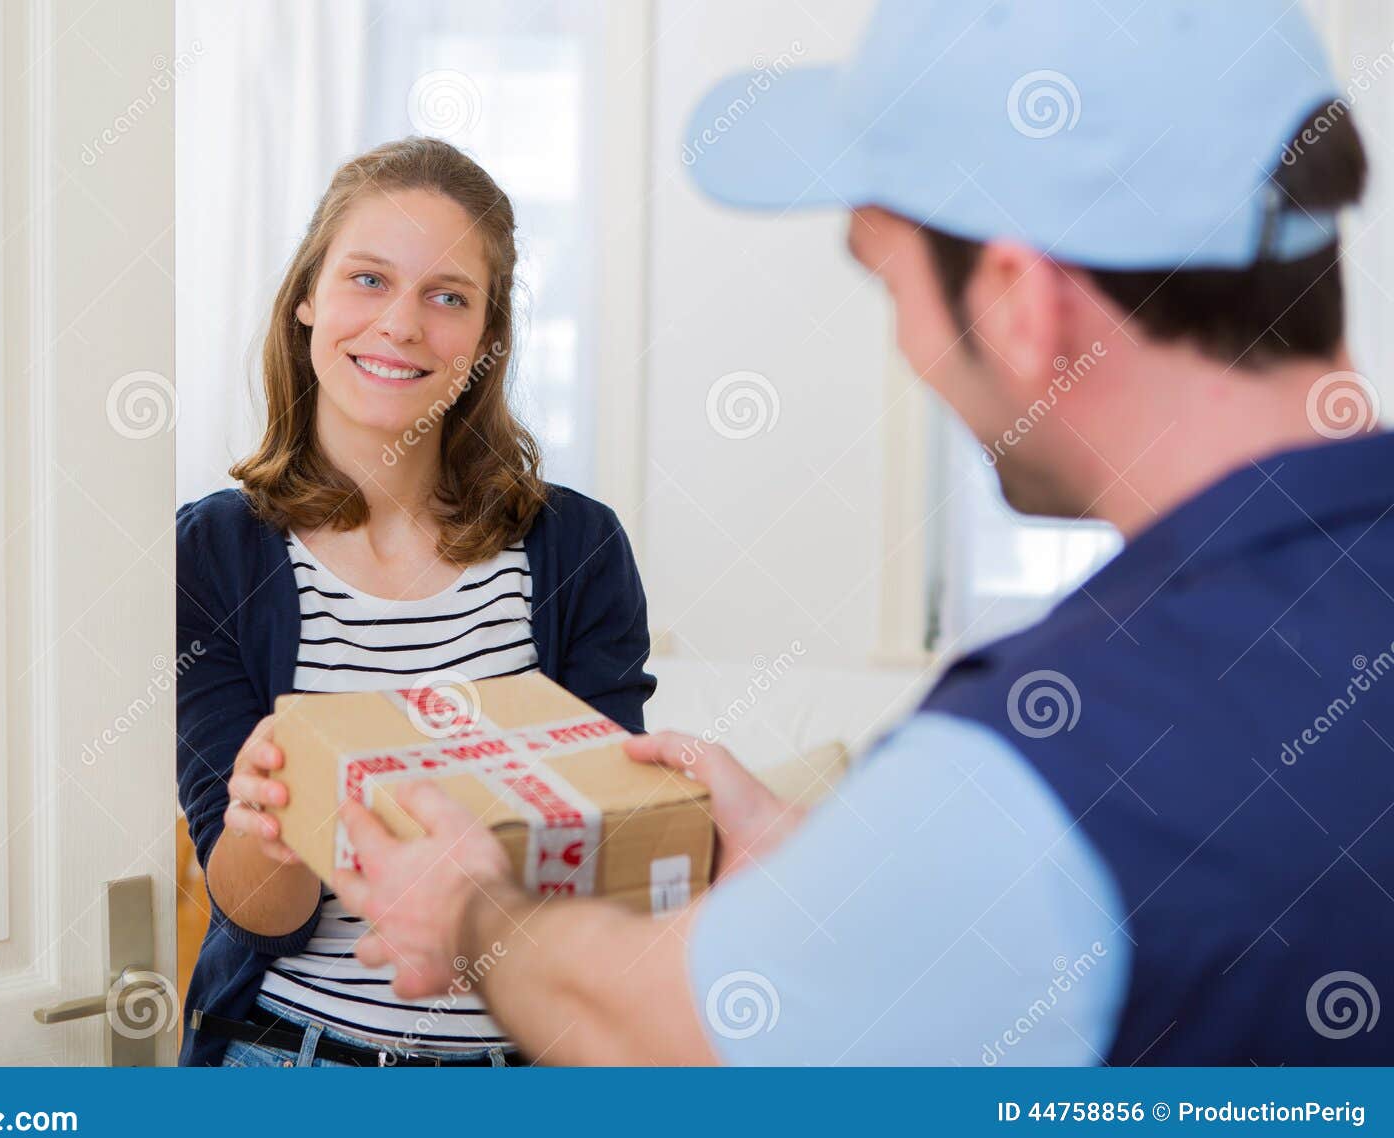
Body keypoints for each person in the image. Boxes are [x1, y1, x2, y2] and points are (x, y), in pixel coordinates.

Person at [331, 1, 1394, 1065]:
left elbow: (653, 1029)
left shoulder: (1044, 771)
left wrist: (473, 907)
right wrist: (833, 877)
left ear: (1022, 303)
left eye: (885, 276)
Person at [174, 137, 654, 1067]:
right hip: (291, 1063)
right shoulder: (214, 553)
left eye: (447, 296)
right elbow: (252, 911)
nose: (400, 324)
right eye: (367, 279)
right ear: (307, 296)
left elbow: (606, 857)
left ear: (486, 340)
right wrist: (270, 821)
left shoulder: (577, 551)